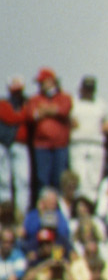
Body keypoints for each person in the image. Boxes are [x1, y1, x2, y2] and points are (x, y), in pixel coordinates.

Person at [24, 67, 72, 198]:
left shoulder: (64, 97)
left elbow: (64, 110)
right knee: (42, 179)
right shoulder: (35, 99)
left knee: (58, 179)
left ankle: (57, 208)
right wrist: (51, 110)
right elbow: (31, 115)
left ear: (51, 81)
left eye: (43, 81)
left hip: (60, 145)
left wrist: (45, 110)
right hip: (41, 145)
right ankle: (43, 207)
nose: (40, 85)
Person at [69, 74, 108, 199]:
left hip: (96, 144)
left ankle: (91, 205)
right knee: (79, 178)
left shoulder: (101, 104)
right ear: (81, 88)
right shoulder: (73, 103)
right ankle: (79, 205)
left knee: (94, 180)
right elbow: (64, 116)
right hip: (78, 144)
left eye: (91, 89)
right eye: (86, 88)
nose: (88, 91)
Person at [0, 77, 29, 207]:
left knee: (23, 180)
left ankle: (21, 211)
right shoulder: (4, 103)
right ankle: (5, 210)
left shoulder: (27, 103)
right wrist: (23, 114)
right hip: (5, 144)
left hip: (21, 145)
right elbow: (10, 118)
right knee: (4, 180)